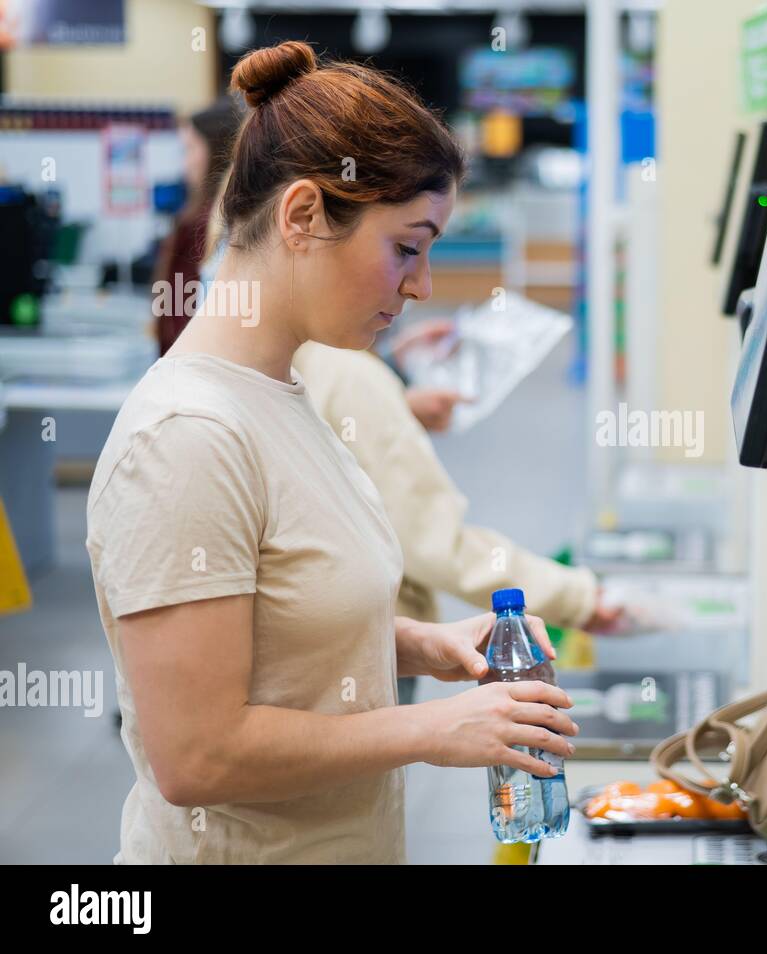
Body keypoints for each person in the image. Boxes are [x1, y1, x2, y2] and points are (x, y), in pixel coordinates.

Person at [85, 41, 576, 864]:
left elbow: (276, 617)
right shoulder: (187, 440)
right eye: (407, 247)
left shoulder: (287, 393)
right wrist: (427, 728)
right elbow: (195, 755)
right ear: (303, 215)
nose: (420, 285)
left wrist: (420, 645)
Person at [290, 337, 624, 706]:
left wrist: (392, 390)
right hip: (369, 648)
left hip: (321, 651)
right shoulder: (349, 376)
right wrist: (579, 599)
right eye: (400, 274)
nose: (419, 288)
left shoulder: (284, 364)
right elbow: (436, 542)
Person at [153, 96, 241, 356]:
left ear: (215, 150)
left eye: (190, 149)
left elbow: (182, 314)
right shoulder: (202, 219)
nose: (185, 163)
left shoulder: (209, 224)